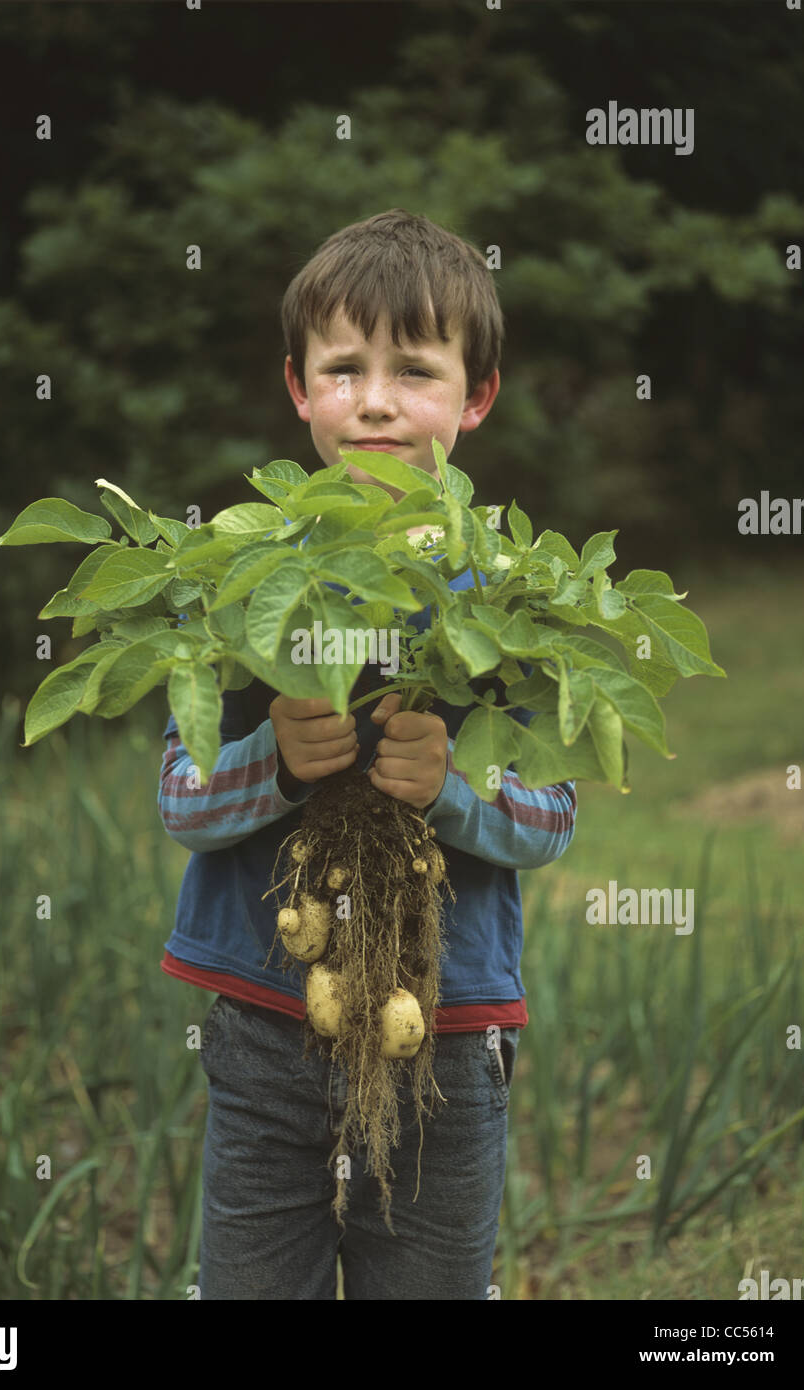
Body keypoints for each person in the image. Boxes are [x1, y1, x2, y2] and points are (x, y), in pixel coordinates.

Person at [157, 208, 577, 1299]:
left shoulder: (509, 601)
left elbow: (552, 815)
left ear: (476, 396)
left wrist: (449, 786)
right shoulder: (241, 589)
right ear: (297, 387)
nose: (376, 399)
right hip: (263, 1028)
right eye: (342, 369)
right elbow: (181, 802)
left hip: (444, 1037)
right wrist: (277, 762)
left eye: (415, 369)